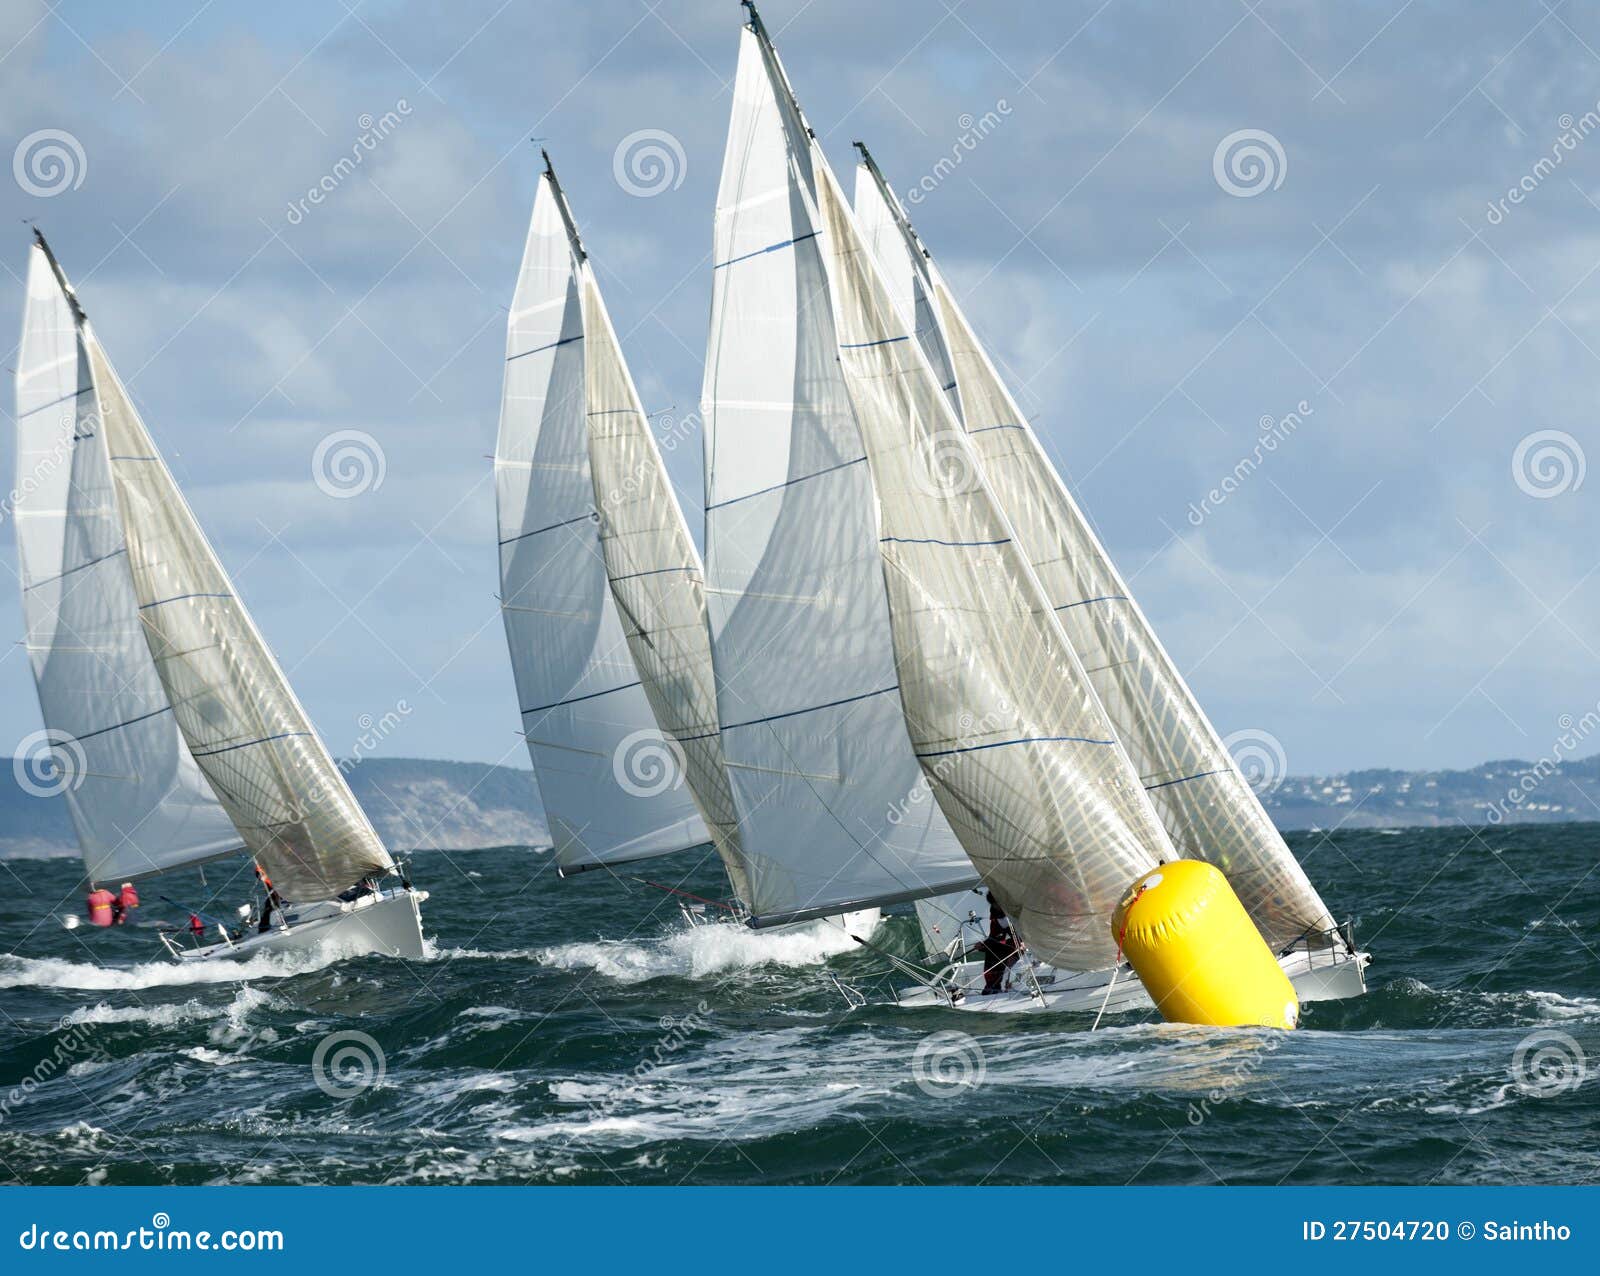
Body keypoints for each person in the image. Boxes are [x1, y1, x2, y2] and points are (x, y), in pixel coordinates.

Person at [976, 892, 1019, 995]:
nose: (996, 906)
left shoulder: (1017, 910)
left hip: (1026, 942)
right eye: (994, 904)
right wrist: (983, 945)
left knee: (1008, 949)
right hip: (1012, 943)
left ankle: (1006, 983)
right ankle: (993, 986)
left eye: (997, 903)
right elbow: (994, 936)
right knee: (992, 949)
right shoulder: (996, 915)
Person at [254, 864, 285, 934]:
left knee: (272, 904)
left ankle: (264, 926)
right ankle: (263, 928)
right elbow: (258, 872)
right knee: (270, 905)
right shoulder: (263, 863)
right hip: (274, 887)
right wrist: (261, 875)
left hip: (284, 886)